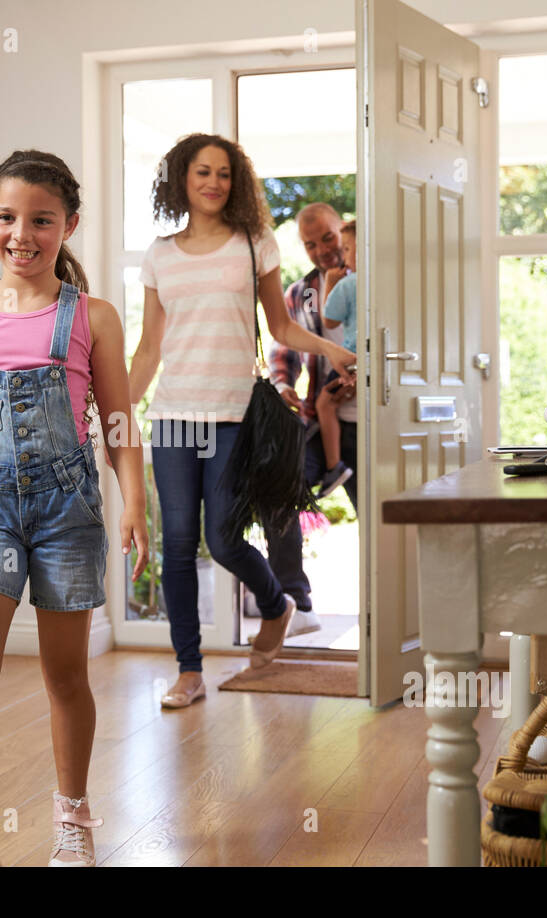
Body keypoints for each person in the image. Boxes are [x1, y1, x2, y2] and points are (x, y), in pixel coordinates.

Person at [0, 150, 149, 866]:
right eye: (7, 217)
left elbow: (117, 420)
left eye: (41, 220)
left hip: (66, 513)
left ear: (69, 226)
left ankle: (73, 821)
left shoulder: (94, 316)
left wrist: (132, 505)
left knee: (65, 678)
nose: (21, 234)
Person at [128, 134, 355, 708]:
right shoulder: (159, 255)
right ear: (182, 178)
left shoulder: (254, 244)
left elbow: (279, 326)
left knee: (224, 541)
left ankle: (275, 604)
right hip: (174, 418)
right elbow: (150, 346)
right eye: (202, 172)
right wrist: (116, 406)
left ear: (236, 182)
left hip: (234, 416)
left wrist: (333, 351)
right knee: (177, 545)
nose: (214, 182)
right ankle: (189, 670)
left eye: (225, 174)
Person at [263, 203, 361, 633]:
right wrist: (283, 386)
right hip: (321, 422)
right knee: (278, 488)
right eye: (310, 244)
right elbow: (283, 354)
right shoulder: (298, 294)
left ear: (342, 230)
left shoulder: (375, 280)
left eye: (328, 238)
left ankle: (399, 617)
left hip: (374, 422)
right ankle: (296, 604)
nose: (322, 250)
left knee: (383, 518)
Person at [316, 219, 359, 498]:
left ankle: (333, 467)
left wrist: (331, 284)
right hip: (377, 364)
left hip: (352, 360)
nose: (343, 256)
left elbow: (330, 322)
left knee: (324, 403)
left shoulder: (348, 284)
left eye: (346, 249)